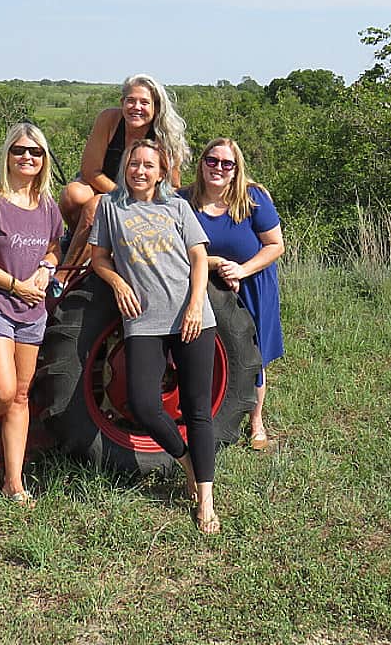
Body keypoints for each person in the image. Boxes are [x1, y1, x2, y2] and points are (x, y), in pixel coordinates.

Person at [88, 138, 221, 534]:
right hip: (143, 320)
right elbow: (99, 258)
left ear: (162, 172)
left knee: (198, 410)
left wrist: (195, 304)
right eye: (134, 163)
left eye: (149, 165)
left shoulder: (177, 206)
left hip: (192, 317)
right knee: (144, 404)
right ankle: (186, 461)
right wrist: (117, 282)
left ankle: (206, 501)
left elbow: (198, 257)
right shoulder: (111, 207)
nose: (140, 171)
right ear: (125, 168)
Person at [0, 122, 63, 505]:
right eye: (19, 150)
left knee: (21, 395)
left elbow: (54, 248)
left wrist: (48, 267)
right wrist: (14, 285)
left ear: (44, 159)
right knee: (4, 390)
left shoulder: (47, 205)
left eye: (35, 152)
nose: (27, 157)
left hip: (32, 310)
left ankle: (13, 482)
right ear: (7, 155)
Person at [183, 138, 285, 450]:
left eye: (227, 163)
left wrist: (241, 270)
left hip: (251, 282)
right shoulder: (183, 200)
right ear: (202, 163)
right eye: (212, 160)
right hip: (203, 282)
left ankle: (256, 421)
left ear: (236, 169)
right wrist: (215, 263)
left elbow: (275, 245)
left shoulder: (252, 198)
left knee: (253, 355)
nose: (218, 168)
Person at [58, 74, 191, 272]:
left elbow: (173, 185)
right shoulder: (109, 120)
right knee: (73, 194)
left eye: (144, 102)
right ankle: (81, 241)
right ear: (122, 102)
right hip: (103, 185)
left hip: (143, 198)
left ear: (156, 107)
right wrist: (118, 194)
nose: (136, 107)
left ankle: (66, 274)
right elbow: (90, 171)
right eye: (131, 100)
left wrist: (133, 199)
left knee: (96, 207)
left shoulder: (164, 135)